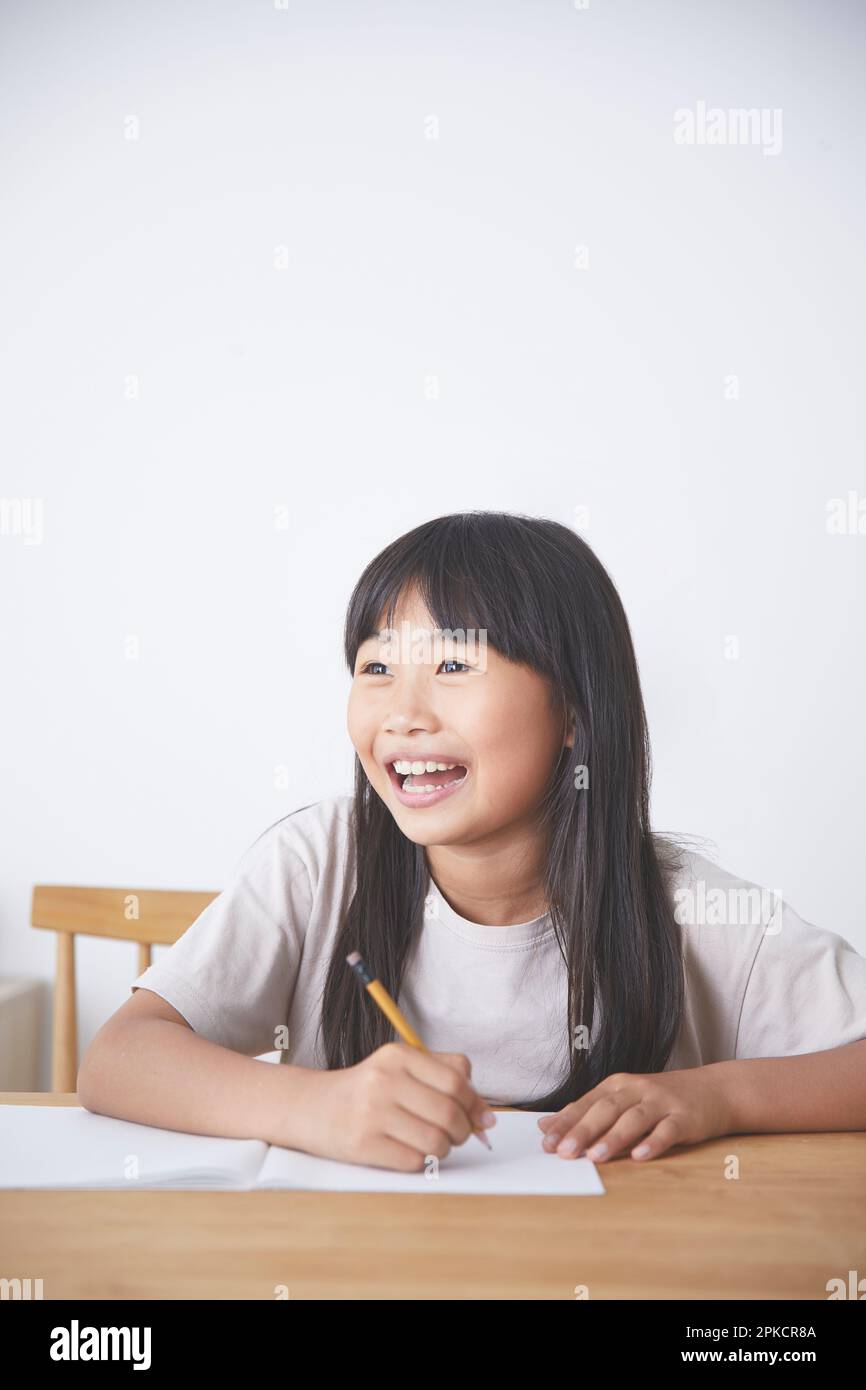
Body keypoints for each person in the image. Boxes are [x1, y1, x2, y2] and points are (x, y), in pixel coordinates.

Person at [78, 511, 866, 1169]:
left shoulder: (693, 911)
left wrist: (719, 1096)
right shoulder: (318, 865)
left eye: (453, 661)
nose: (403, 712)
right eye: (376, 666)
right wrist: (315, 1106)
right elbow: (118, 1059)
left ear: (573, 712)